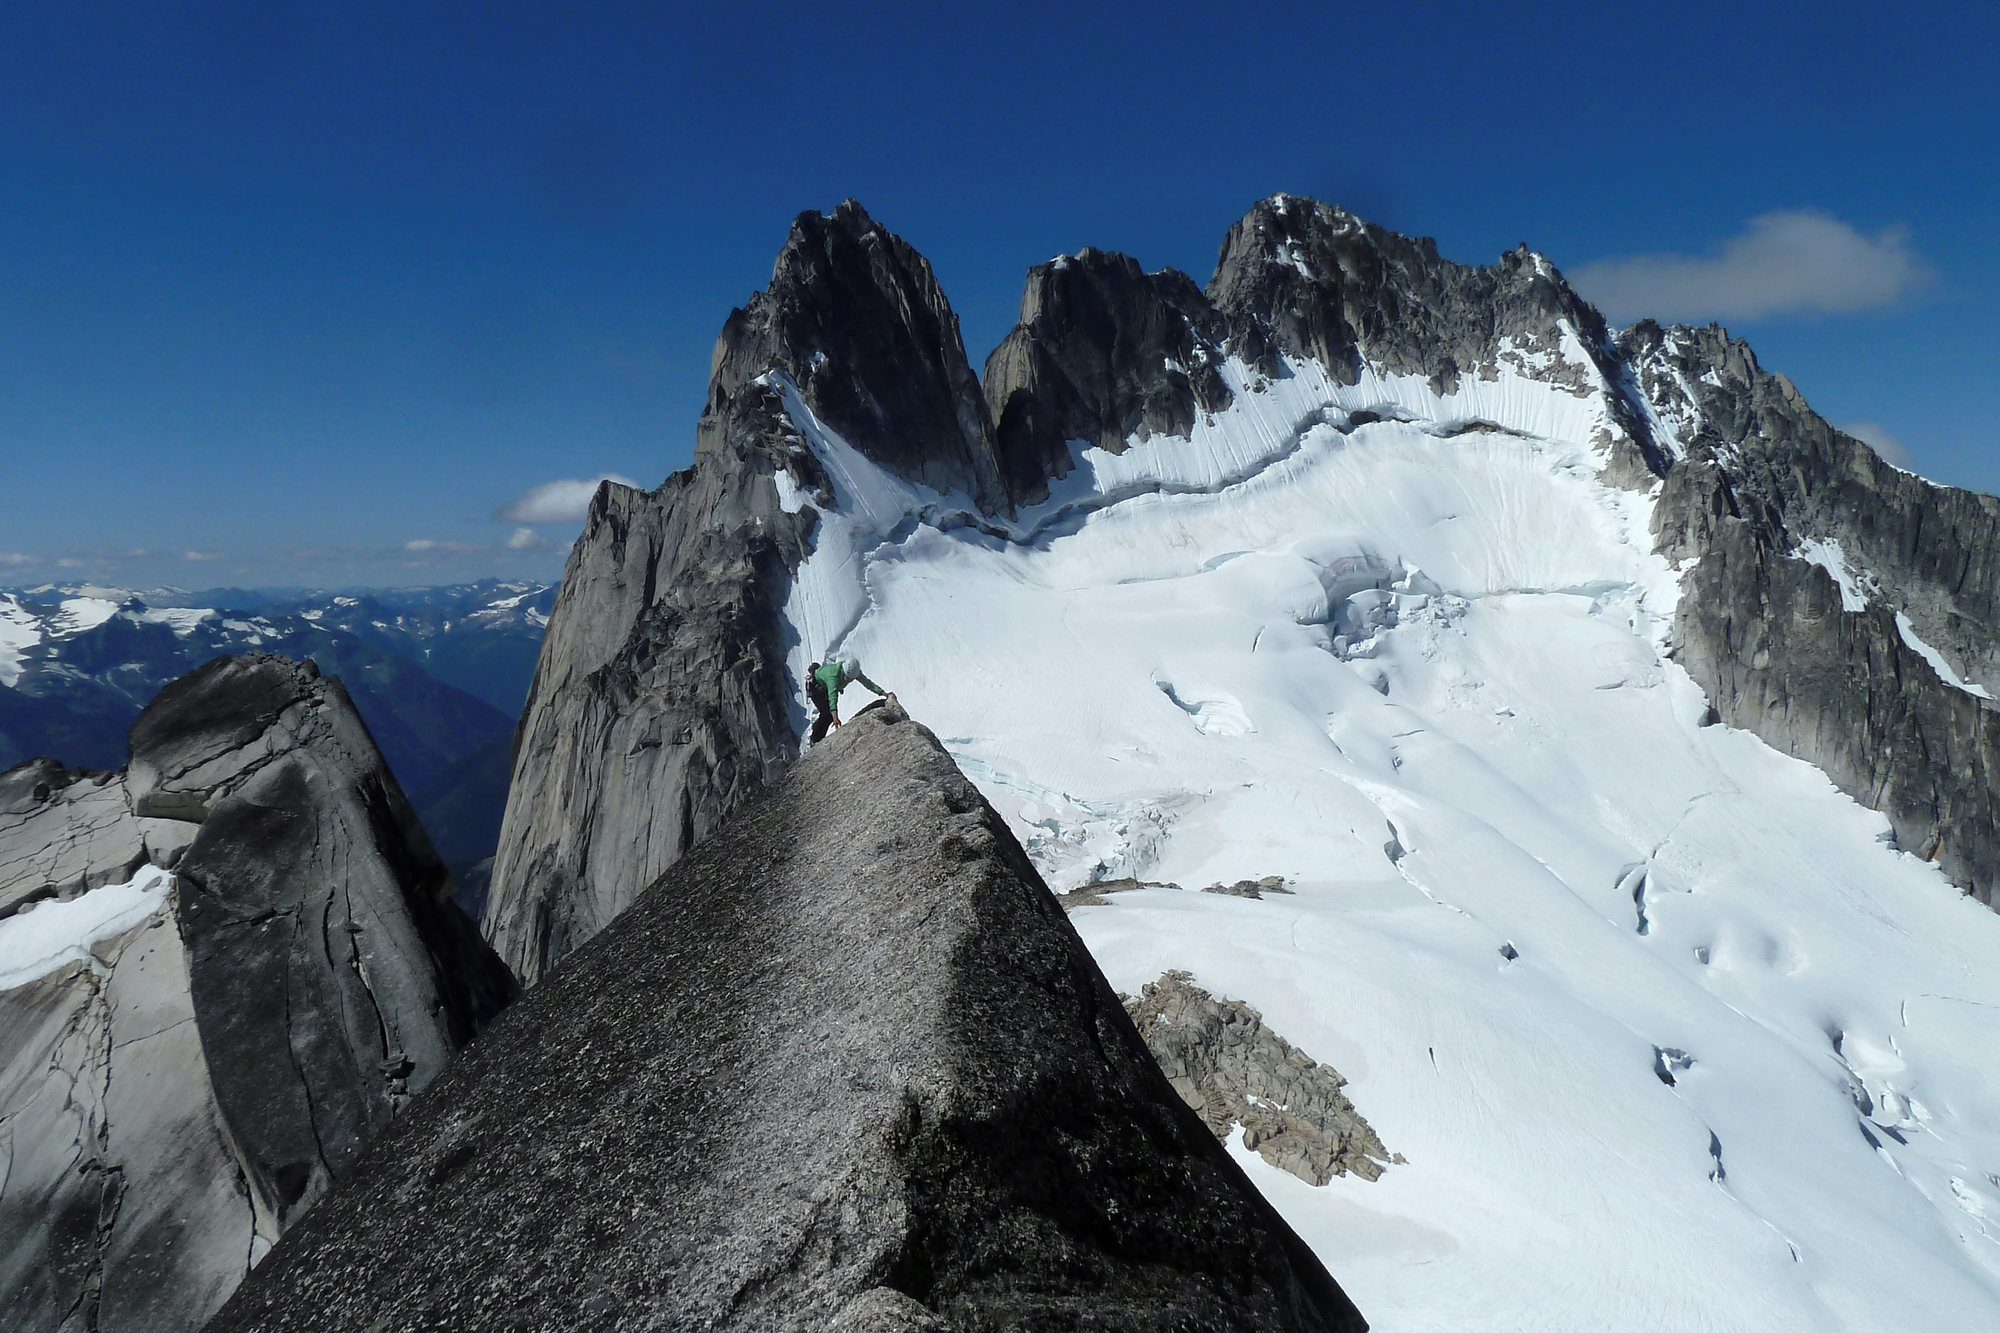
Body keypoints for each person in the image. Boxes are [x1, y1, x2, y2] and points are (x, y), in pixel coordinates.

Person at [808, 655, 889, 743]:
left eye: (851, 679)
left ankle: (816, 728)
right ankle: (814, 739)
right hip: (814, 687)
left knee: (828, 715)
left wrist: (882, 692)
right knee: (827, 714)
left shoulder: (854, 672)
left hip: (824, 688)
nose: (848, 681)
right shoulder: (833, 677)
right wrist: (835, 717)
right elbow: (833, 697)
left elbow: (867, 683)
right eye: (847, 678)